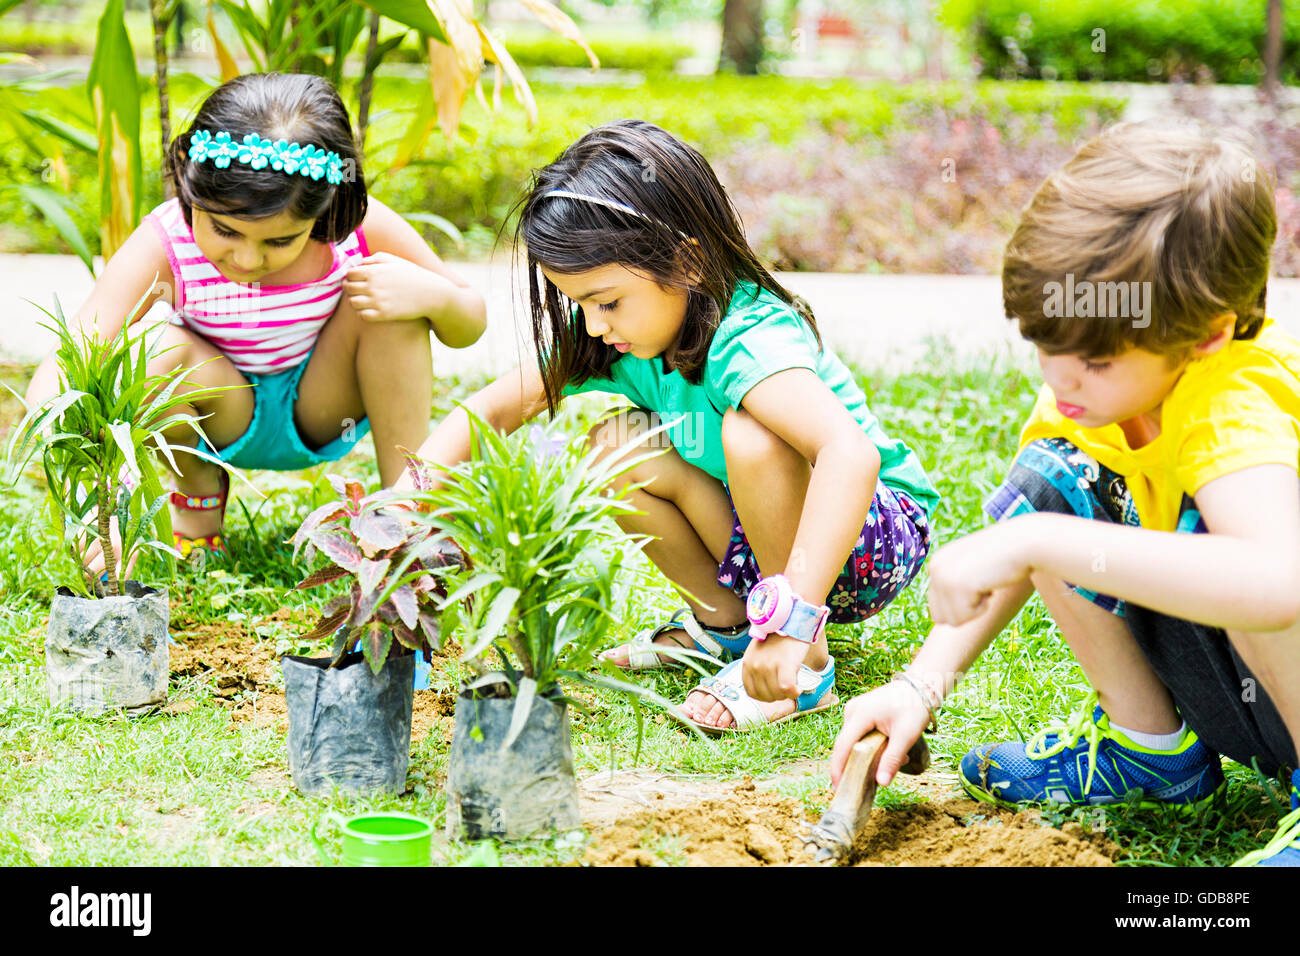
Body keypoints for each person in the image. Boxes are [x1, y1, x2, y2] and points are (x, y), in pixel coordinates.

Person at [830, 120, 1300, 866]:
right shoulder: (1092, 400)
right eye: (1047, 343)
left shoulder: (1234, 402)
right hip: (1257, 696)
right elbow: (1032, 530)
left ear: (1207, 332)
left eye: (1097, 358)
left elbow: (1280, 583)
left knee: (1217, 541)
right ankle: (1151, 755)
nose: (1061, 377)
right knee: (1054, 483)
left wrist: (1034, 542)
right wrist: (919, 687)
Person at [405, 119, 938, 732]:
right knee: (613, 445)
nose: (596, 324)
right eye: (580, 304)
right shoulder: (623, 341)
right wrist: (405, 516)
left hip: (869, 538)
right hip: (766, 537)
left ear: (685, 263)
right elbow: (493, 410)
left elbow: (850, 455)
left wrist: (796, 619)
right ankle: (726, 629)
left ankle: (804, 663)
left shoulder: (750, 337)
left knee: (753, 433)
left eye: (606, 301)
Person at [24, 72, 486, 562]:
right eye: (224, 230)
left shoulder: (357, 229)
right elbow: (68, 363)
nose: (246, 261)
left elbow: (470, 321)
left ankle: (405, 512)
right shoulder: (166, 239)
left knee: (394, 304)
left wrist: (434, 299)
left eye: (280, 240)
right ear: (186, 176)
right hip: (217, 412)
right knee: (155, 348)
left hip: (326, 407)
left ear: (324, 205)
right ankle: (197, 497)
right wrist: (96, 505)